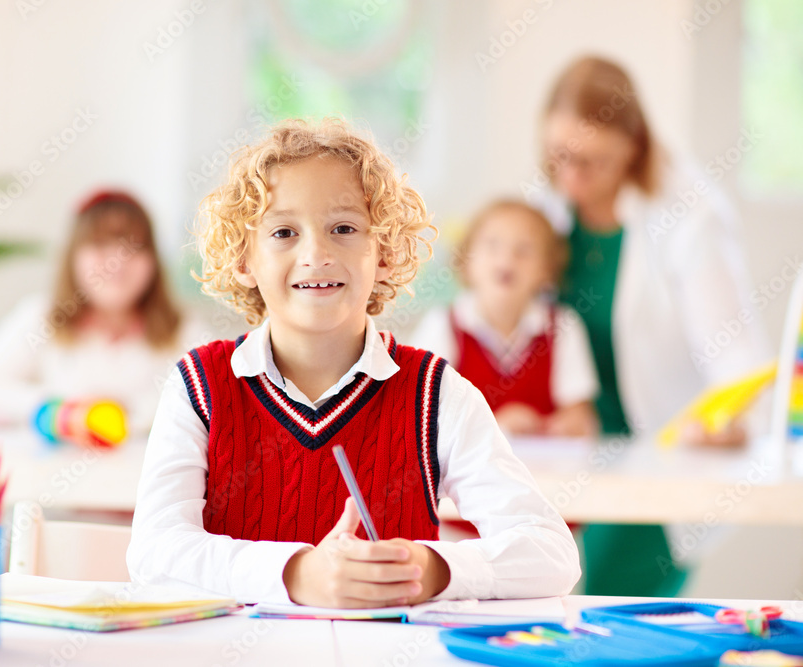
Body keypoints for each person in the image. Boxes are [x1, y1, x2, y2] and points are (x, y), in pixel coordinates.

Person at [128, 119, 580, 606]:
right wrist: (299, 575)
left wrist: (433, 568)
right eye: (283, 232)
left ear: (382, 252)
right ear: (244, 259)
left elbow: (552, 553)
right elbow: (154, 554)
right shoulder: (199, 387)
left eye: (343, 228)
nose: (316, 254)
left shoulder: (436, 393)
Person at [527, 56, 771, 596]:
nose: (572, 177)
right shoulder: (543, 210)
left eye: (592, 162)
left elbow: (736, 353)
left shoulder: (690, 216)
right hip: (563, 454)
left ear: (632, 148)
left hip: (654, 455)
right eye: (559, 157)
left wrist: (728, 418)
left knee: (611, 622)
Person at [0, 190, 200, 433]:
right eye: (100, 244)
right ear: (73, 257)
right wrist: (62, 410)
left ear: (153, 260)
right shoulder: (40, 318)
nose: (117, 260)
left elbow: (216, 402)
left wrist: (133, 411)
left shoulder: (183, 329)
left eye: (133, 247)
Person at [410, 199, 599, 437]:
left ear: (547, 270)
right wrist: (496, 426)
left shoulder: (563, 326)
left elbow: (580, 417)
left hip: (546, 470)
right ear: (467, 262)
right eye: (492, 245)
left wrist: (557, 427)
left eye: (524, 250)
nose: (507, 259)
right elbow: (420, 416)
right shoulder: (442, 325)